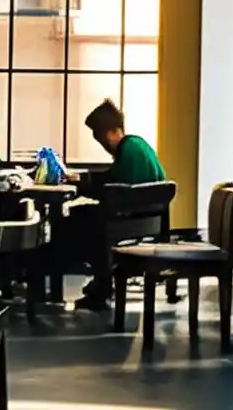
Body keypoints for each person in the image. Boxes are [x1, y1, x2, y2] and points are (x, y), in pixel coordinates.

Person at [73, 100, 166, 312]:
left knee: (81, 219)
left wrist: (83, 184)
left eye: (99, 135)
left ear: (110, 131)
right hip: (150, 219)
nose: (99, 142)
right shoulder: (138, 145)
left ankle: (101, 286)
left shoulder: (128, 151)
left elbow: (115, 188)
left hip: (131, 220)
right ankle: (100, 284)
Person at [84, 99, 166, 185]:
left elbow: (115, 184)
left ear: (113, 131)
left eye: (101, 137)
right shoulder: (138, 143)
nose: (103, 145)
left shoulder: (128, 150)